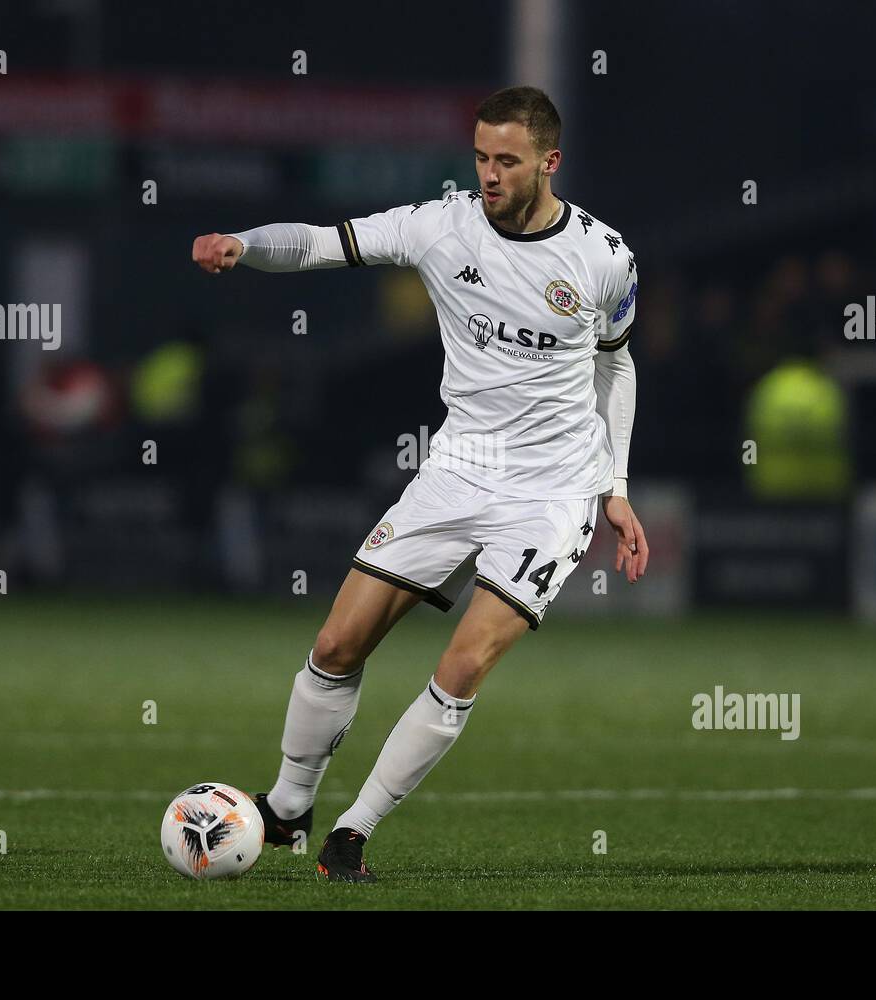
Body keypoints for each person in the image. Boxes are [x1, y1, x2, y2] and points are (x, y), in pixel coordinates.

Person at [191, 85, 648, 882]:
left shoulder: (605, 258)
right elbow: (324, 241)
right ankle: (290, 807)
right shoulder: (443, 224)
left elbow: (617, 361)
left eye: (507, 160)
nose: (489, 174)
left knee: (463, 664)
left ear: (550, 161)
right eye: (480, 157)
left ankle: (353, 834)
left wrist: (615, 482)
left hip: (551, 493)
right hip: (457, 470)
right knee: (337, 644)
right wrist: (243, 243)